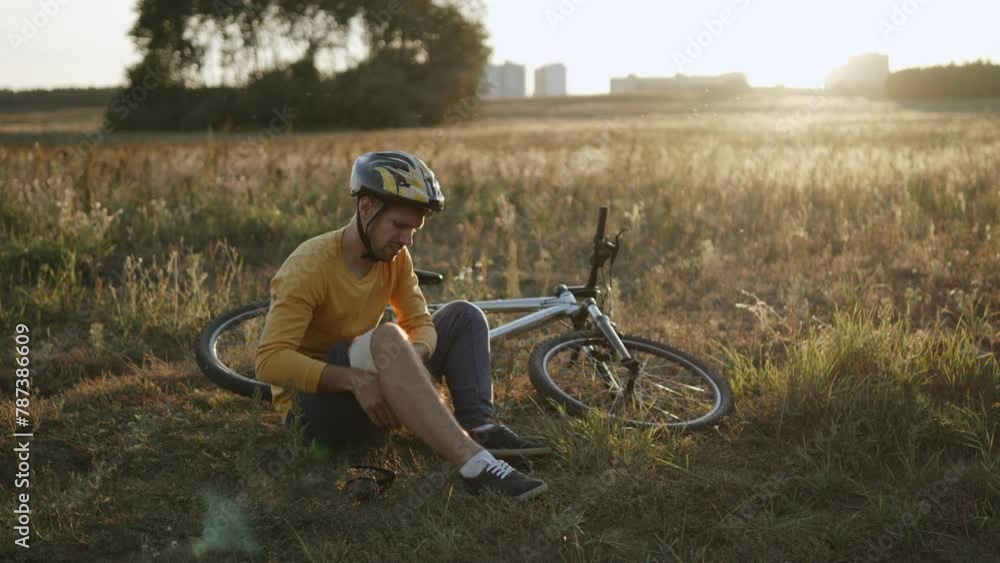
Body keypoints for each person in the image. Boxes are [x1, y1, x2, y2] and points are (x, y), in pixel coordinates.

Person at [255, 150, 549, 500]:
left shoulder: (394, 258)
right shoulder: (308, 267)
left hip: (372, 382)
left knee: (464, 315)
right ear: (366, 208)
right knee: (386, 337)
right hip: (316, 411)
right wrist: (353, 379)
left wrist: (411, 358)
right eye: (400, 225)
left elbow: (421, 322)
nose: (408, 239)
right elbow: (269, 360)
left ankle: (480, 426)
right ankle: (474, 464)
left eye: (414, 229)